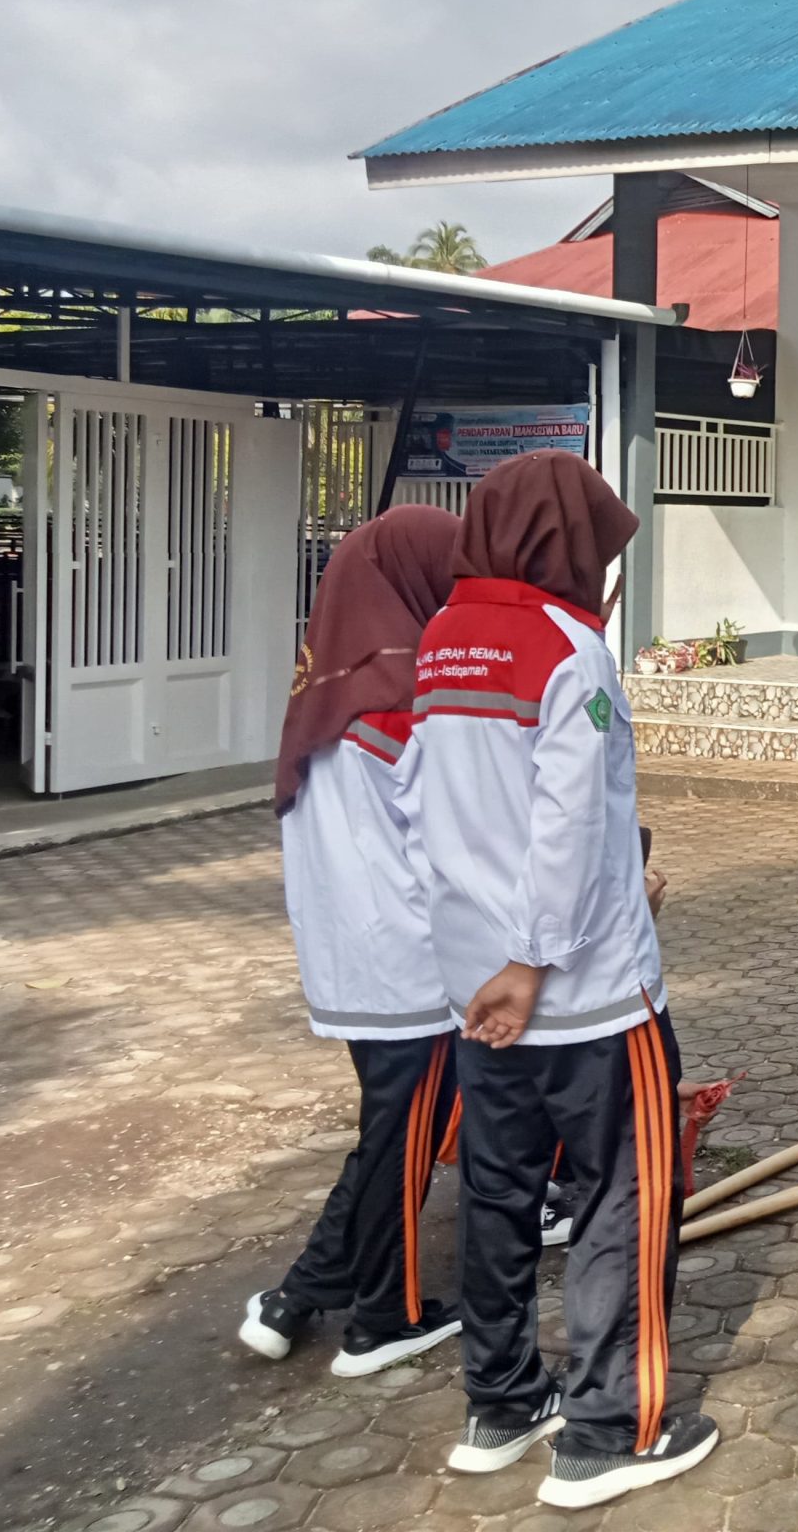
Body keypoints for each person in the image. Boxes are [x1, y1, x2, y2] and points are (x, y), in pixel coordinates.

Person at [403, 452, 716, 1508]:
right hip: (582, 996)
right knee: (624, 1199)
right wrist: (536, 958)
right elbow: (570, 821)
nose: (608, 574)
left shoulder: (442, 641)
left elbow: (425, 812)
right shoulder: (569, 648)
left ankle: (500, 1403)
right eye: (602, 552)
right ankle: (610, 1428)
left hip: (476, 998)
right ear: (568, 547)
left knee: (494, 1197)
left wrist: (479, 962)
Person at [241, 507, 468, 1377]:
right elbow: (450, 833)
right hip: (409, 960)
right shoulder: (407, 699)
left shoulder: (323, 693)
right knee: (401, 1138)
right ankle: (384, 1316)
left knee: (391, 1129)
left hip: (349, 952)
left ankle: (299, 1293)